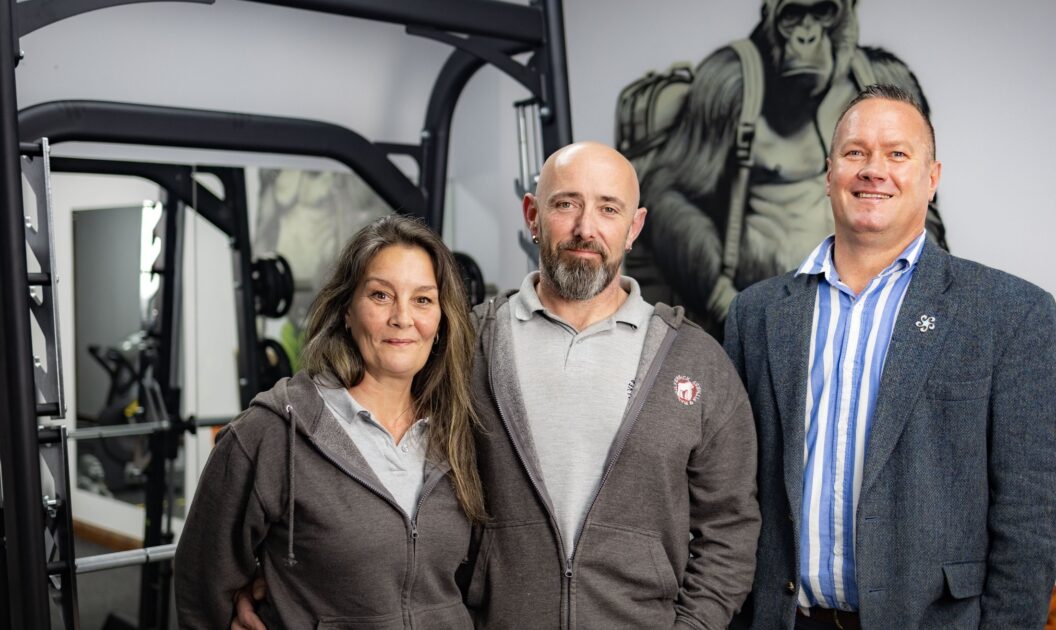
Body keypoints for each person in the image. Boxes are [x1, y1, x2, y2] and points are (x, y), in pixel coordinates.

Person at [231, 142, 761, 630]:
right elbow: (371, 448)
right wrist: (288, 573)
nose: (585, 228)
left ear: (634, 226)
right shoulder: (465, 343)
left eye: (608, 209)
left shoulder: (695, 362)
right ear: (532, 215)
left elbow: (730, 528)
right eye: (566, 204)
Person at [724, 85, 1056, 629]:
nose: (874, 170)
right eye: (855, 152)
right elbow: (728, 490)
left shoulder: (1011, 314)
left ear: (932, 178)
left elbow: (1034, 513)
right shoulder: (756, 313)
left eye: (897, 153)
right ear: (829, 173)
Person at [175, 214, 484, 629]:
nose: (402, 317)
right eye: (380, 295)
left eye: (423, 300)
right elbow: (201, 586)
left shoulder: (457, 432)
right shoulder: (271, 433)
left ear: (442, 321)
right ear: (347, 311)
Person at [629, 0, 948, 336]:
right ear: (769, 19)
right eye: (793, 16)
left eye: (822, 12)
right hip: (760, 310)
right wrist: (726, 303)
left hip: (879, 308)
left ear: (848, 15)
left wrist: (926, 307)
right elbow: (669, 197)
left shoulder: (884, 81)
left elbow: (921, 206)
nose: (806, 36)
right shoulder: (735, 80)